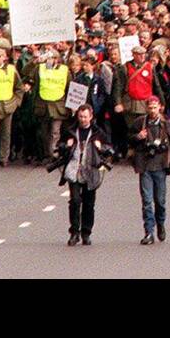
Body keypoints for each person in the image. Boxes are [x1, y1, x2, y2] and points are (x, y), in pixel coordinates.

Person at [50, 103, 111, 247]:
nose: (83, 119)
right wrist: (66, 146)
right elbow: (59, 147)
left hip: (91, 170)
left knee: (89, 203)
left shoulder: (98, 133)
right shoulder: (70, 131)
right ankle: (74, 232)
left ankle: (86, 233)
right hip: (74, 170)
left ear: (91, 117)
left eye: (85, 117)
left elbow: (109, 149)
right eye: (80, 116)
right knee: (75, 201)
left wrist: (100, 147)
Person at [129, 95, 170, 245]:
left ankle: (160, 223)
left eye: (155, 107)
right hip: (144, 166)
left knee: (160, 201)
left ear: (160, 107)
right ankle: (149, 232)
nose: (152, 110)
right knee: (146, 201)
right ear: (147, 108)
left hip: (160, 166)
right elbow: (128, 139)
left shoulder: (168, 124)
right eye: (150, 108)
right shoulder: (140, 123)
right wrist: (138, 137)